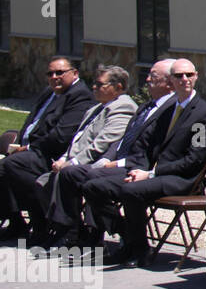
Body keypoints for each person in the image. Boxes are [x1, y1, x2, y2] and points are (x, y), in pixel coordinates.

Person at [80, 59, 206, 267]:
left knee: (131, 191)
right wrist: (139, 169)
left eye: (189, 75)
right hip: (152, 173)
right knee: (93, 186)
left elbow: (194, 160)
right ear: (171, 80)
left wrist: (151, 174)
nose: (185, 80)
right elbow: (146, 145)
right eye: (179, 76)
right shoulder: (167, 110)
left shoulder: (202, 114)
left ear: (196, 76)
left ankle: (139, 249)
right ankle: (127, 234)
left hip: (181, 179)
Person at [45, 60, 175, 247]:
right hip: (120, 163)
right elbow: (122, 142)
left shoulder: (149, 108)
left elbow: (147, 148)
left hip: (141, 169)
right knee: (64, 176)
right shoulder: (145, 107)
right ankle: (73, 234)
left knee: (90, 179)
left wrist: (121, 164)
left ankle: (110, 235)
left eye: (153, 76)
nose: (146, 80)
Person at [32, 65, 138, 250]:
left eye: (99, 84)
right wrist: (64, 158)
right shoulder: (96, 108)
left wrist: (71, 162)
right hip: (76, 161)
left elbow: (103, 143)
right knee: (42, 183)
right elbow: (77, 140)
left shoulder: (123, 106)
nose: (94, 88)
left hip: (98, 164)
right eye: (94, 84)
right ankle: (68, 230)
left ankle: (74, 235)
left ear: (119, 87)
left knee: (70, 175)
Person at [0, 57, 94, 240]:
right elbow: (31, 122)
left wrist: (28, 147)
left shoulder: (79, 96)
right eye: (50, 73)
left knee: (11, 166)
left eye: (60, 72)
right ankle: (17, 222)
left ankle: (42, 222)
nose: (54, 77)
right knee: (5, 168)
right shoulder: (48, 92)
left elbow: (61, 136)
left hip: (51, 155)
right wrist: (19, 143)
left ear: (74, 73)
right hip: (30, 151)